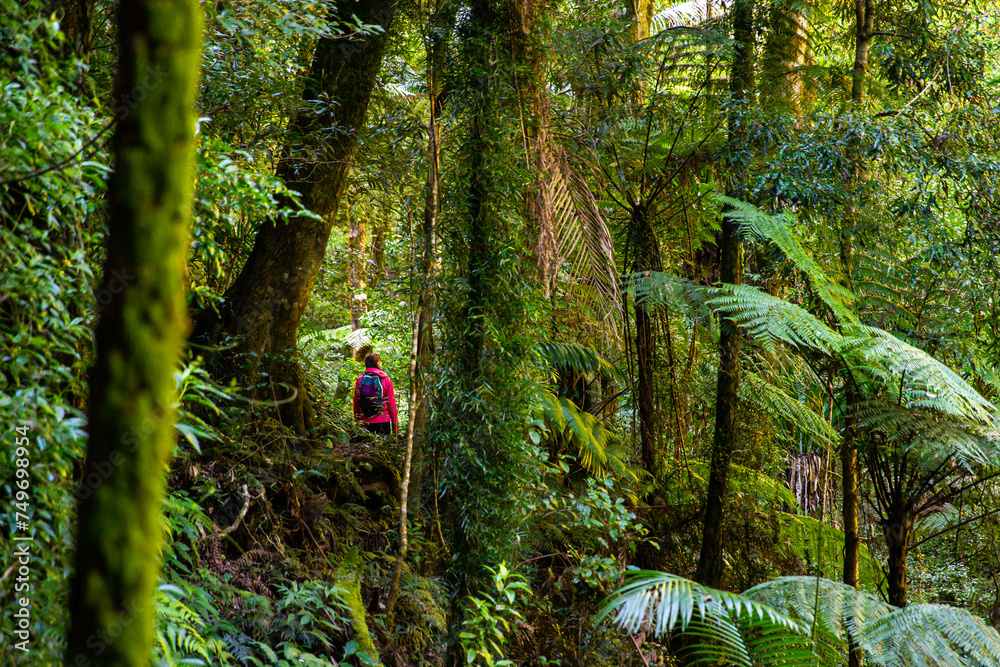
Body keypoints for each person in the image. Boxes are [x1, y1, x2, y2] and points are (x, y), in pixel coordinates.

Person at [352, 352, 399, 435]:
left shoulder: (360, 380)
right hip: (383, 421)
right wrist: (395, 428)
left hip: (364, 422)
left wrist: (356, 420)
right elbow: (392, 404)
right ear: (377, 363)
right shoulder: (386, 379)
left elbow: (356, 402)